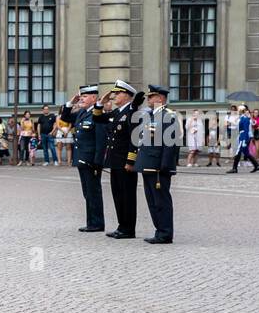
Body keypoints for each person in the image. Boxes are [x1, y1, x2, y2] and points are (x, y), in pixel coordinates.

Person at [94, 80, 144, 238]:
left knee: (127, 196)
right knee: (118, 195)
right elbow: (98, 118)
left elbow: (134, 139)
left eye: (118, 93)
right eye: (114, 93)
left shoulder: (132, 112)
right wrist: (100, 103)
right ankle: (121, 226)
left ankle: (128, 229)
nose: (114, 96)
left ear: (127, 95)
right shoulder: (117, 113)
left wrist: (131, 161)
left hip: (125, 162)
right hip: (115, 161)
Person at [134, 84, 180, 244]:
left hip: (158, 167)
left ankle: (165, 232)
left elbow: (171, 144)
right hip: (147, 163)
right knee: (152, 201)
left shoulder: (169, 116)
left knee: (161, 201)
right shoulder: (152, 116)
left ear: (160, 98)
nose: (148, 99)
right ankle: (159, 230)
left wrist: (165, 166)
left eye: (150, 97)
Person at [61, 86, 105, 233]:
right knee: (87, 192)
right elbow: (65, 117)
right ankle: (91, 222)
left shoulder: (97, 114)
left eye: (85, 96)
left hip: (91, 160)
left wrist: (97, 161)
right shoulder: (81, 113)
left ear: (94, 98)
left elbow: (100, 140)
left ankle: (97, 223)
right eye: (81, 96)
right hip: (82, 158)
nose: (81, 99)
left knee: (94, 192)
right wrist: (70, 103)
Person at [229, 104, 259, 173]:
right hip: (241, 136)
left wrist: (245, 139)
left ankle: (234, 168)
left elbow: (252, 125)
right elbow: (237, 127)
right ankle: (256, 165)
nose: (237, 111)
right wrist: (230, 126)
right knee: (246, 153)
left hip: (244, 137)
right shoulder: (241, 118)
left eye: (238, 110)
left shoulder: (246, 118)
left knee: (238, 151)